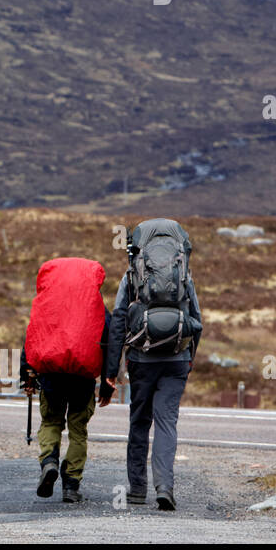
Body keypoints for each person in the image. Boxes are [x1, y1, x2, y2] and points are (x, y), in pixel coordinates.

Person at [100, 218, 203, 512]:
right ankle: (165, 487)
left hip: (141, 360)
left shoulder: (132, 275)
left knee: (140, 422)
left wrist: (112, 370)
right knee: (167, 423)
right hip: (177, 359)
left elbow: (118, 321)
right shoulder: (183, 275)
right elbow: (196, 318)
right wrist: (190, 356)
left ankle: (136, 490)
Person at [19, 257, 111, 503]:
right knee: (78, 430)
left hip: (51, 376)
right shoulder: (98, 307)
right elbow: (110, 343)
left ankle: (49, 461)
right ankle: (71, 485)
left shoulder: (46, 302)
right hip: (82, 379)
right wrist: (108, 381)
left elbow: (31, 336)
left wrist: (26, 375)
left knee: (51, 422)